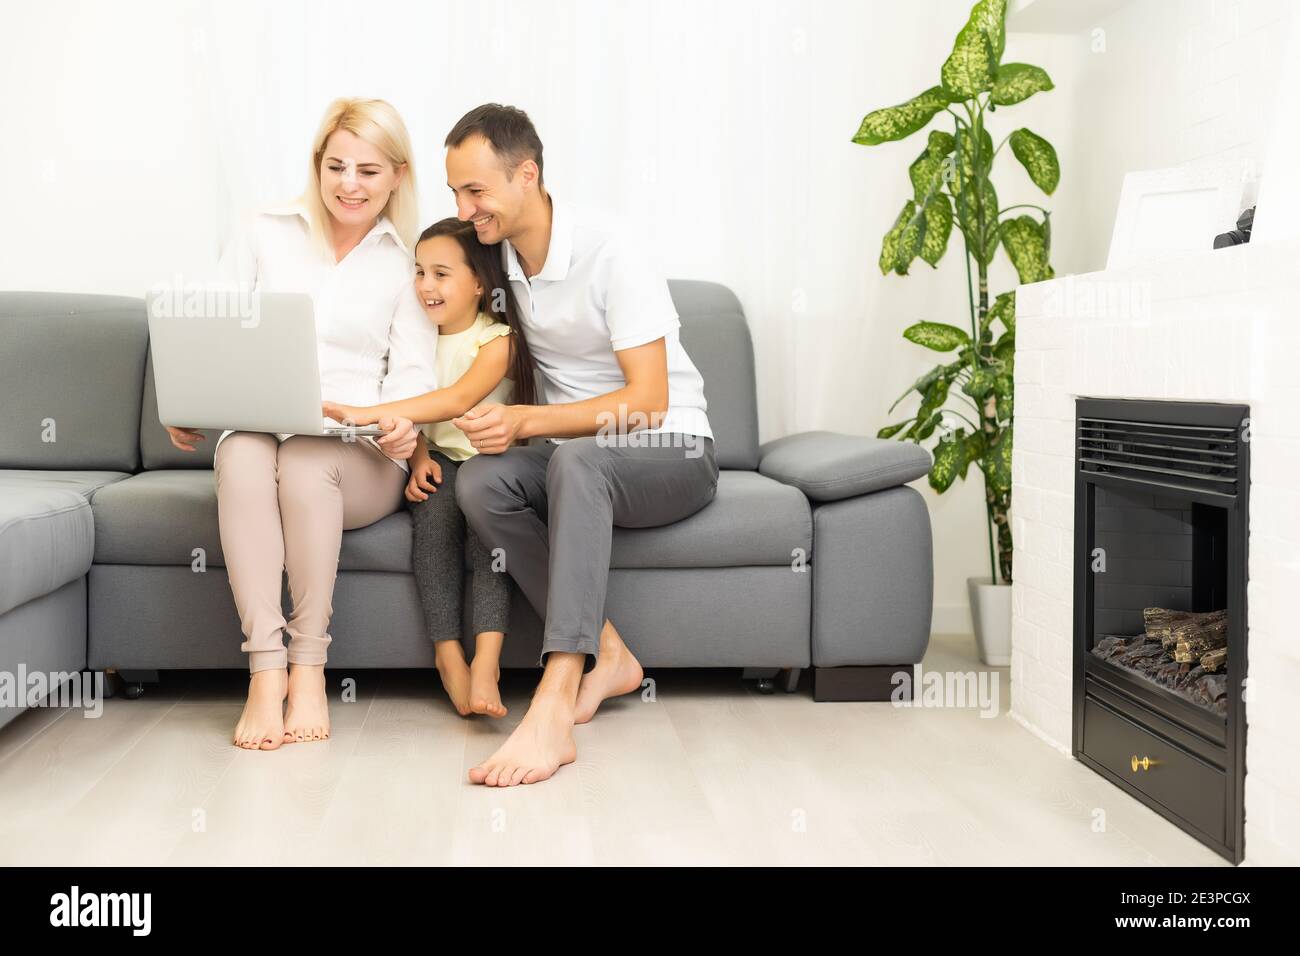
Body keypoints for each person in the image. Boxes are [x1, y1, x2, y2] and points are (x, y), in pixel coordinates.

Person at [444, 104, 719, 787]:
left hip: (672, 446)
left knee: (577, 458)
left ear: (527, 175)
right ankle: (610, 652)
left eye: (475, 190)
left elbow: (649, 398)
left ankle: (556, 699)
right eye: (455, 191)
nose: (465, 207)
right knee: (480, 483)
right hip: (580, 456)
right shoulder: (497, 255)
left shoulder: (610, 250)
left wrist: (527, 423)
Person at [165, 97, 438, 750]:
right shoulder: (264, 231)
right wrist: (189, 399)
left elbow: (415, 375)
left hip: (359, 454)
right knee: (244, 454)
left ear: (398, 175)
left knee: (310, 461)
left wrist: (400, 423)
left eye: (368, 171)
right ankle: (266, 671)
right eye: (336, 165)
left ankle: (309, 666)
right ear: (317, 165)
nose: (349, 183)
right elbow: (212, 328)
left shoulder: (408, 262)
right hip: (267, 432)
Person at [322, 217, 536, 718]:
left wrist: (365, 416)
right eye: (418, 272)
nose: (425, 286)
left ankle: (487, 661)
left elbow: (453, 400)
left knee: (489, 543)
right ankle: (447, 655)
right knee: (434, 529)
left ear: (480, 283)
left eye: (441, 274)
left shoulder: (496, 338)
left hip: (491, 462)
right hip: (437, 458)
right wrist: (416, 458)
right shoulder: (411, 335)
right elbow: (408, 409)